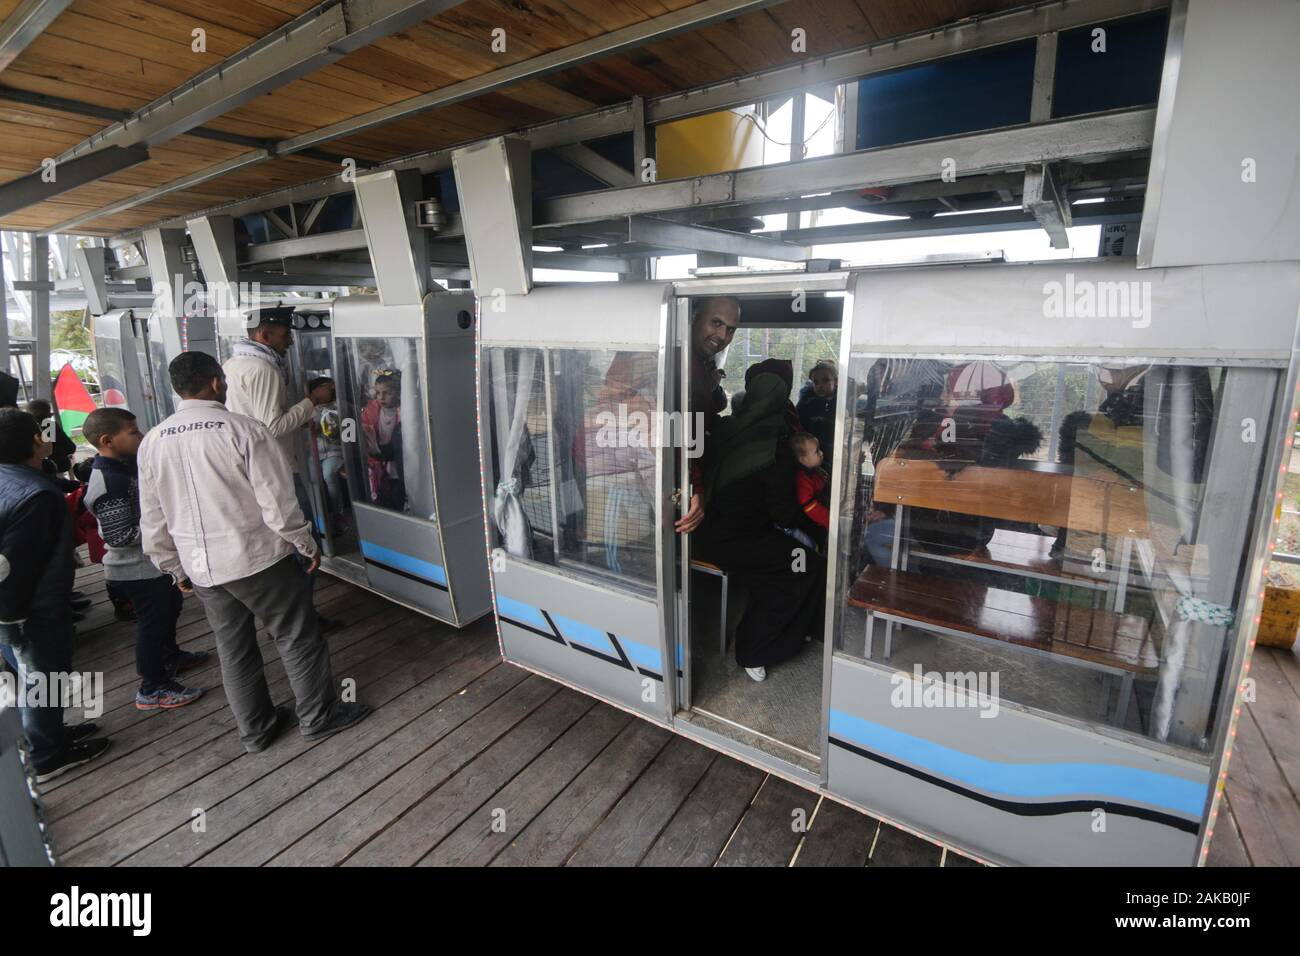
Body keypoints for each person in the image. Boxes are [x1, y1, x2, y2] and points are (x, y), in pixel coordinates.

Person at [137, 351, 369, 754]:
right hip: (258, 558)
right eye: (223, 380)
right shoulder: (243, 430)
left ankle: (256, 730)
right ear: (214, 383)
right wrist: (304, 542)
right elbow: (277, 502)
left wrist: (172, 567)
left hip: (203, 568)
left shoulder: (153, 441)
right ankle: (319, 717)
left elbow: (153, 515)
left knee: (234, 650)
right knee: (297, 636)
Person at [693, 359, 825, 682]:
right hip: (739, 540)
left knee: (788, 559)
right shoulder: (775, 446)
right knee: (804, 562)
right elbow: (783, 513)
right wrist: (817, 527)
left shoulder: (727, 429)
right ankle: (754, 648)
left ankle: (789, 631)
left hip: (706, 531)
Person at [0, 408, 110, 781]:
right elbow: (13, 568)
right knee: (42, 675)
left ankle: (51, 733)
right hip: (33, 611)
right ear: (35, 439)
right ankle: (48, 754)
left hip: (21, 610)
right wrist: (14, 623)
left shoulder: (11, 480)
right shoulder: (34, 495)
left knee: (38, 676)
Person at [222, 306, 339, 629]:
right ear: (265, 335)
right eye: (286, 336)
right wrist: (312, 402)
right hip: (279, 469)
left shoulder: (234, 364)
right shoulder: (263, 369)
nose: (289, 342)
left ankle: (293, 615)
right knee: (302, 542)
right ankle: (303, 620)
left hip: (255, 468)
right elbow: (270, 427)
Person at [83, 408, 206, 711]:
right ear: (107, 440)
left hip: (150, 565)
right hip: (135, 570)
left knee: (168, 610)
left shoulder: (122, 468)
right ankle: (153, 687)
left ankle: (170, 657)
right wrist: (168, 522)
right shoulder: (109, 481)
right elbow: (119, 535)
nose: (140, 435)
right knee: (152, 625)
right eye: (133, 431)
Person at [675, 296, 740, 537]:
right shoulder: (676, 362)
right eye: (716, 322)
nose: (723, 336)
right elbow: (675, 429)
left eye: (730, 329)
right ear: (693, 317)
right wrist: (694, 486)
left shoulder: (702, 365)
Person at [361, 369, 405, 511]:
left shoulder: (405, 411)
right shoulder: (371, 411)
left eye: (387, 393)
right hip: (378, 467)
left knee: (398, 498)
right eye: (378, 393)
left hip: (399, 466)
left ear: (399, 393)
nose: (381, 397)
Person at [310, 378, 347, 534]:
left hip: (335, 451)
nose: (330, 390)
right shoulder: (309, 409)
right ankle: (320, 517)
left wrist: (349, 458)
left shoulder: (340, 406)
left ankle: (339, 513)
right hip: (315, 452)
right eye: (325, 387)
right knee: (312, 479)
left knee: (329, 474)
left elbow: (349, 433)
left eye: (331, 387)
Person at [789, 432, 831, 550]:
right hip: (818, 523)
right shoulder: (803, 480)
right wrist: (830, 521)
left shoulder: (816, 471)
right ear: (803, 460)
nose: (822, 453)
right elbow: (809, 506)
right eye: (817, 451)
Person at [796, 360, 838, 472]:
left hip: (835, 450)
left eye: (826, 380)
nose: (820, 386)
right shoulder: (807, 402)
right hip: (812, 453)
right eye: (816, 382)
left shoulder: (841, 402)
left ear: (836, 381)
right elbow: (798, 423)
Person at [25, 398, 77, 477]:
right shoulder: (50, 426)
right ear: (48, 413)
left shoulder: (25, 428)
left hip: (33, 471)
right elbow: (70, 447)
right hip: (56, 466)